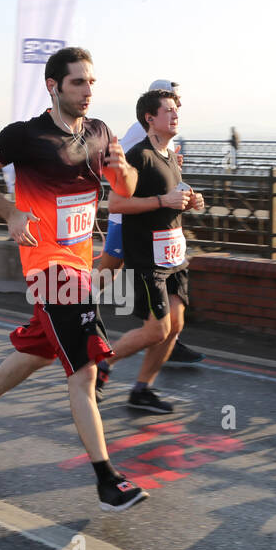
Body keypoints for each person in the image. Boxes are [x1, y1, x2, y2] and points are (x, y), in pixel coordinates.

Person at [0, 46, 148, 512]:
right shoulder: (25, 136)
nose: (87, 91)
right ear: (53, 86)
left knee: (42, 349)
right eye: (77, 82)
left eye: (91, 82)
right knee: (83, 370)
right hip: (47, 267)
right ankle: (107, 479)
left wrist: (122, 171)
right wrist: (9, 210)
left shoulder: (99, 132)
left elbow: (126, 189)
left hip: (81, 264)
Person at [101, 88, 204, 413]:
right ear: (150, 118)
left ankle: (142, 389)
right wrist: (163, 201)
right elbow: (115, 203)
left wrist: (189, 201)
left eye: (177, 110)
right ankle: (102, 362)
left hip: (174, 256)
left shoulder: (170, 155)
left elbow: (170, 198)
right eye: (169, 110)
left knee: (175, 326)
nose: (176, 115)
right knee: (156, 328)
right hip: (147, 259)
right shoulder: (138, 156)